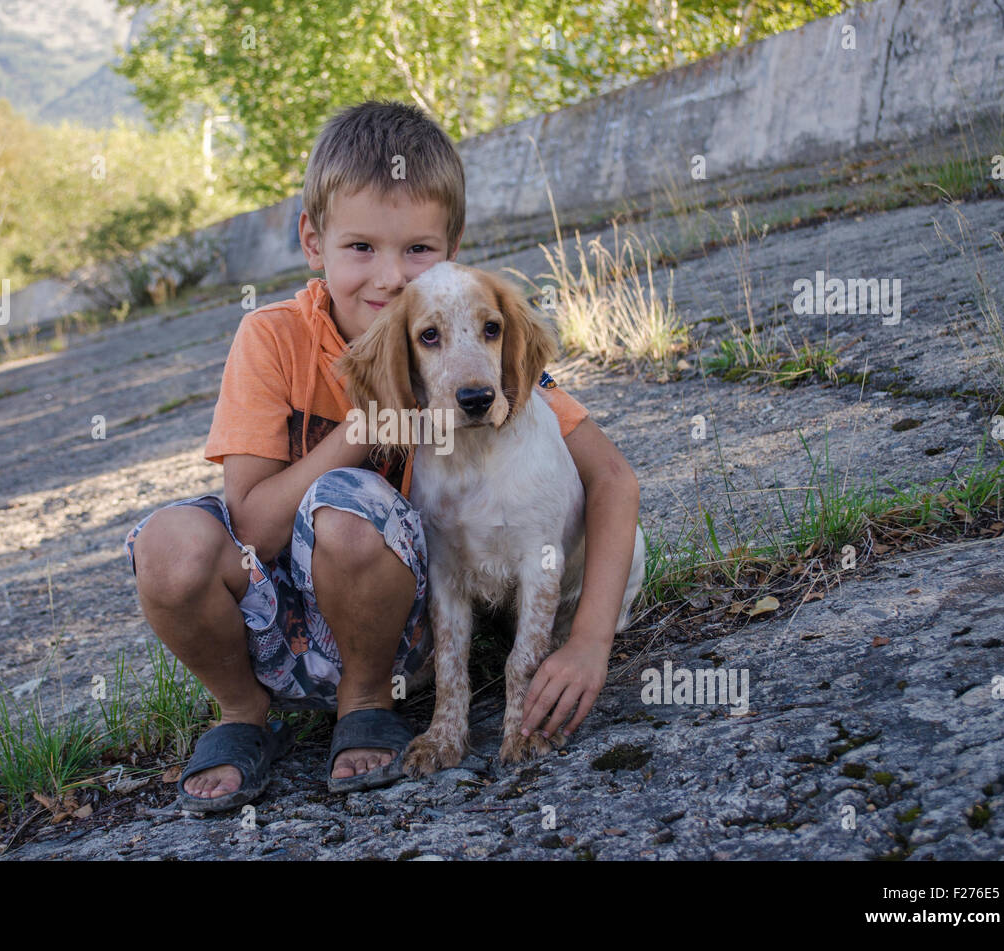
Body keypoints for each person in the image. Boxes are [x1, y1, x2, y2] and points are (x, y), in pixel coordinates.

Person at [123, 99, 642, 810]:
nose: (391, 277)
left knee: (351, 516)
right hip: (278, 613)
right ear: (314, 241)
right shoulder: (270, 338)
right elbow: (254, 529)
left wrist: (588, 642)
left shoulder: (466, 350)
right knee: (167, 545)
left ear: (453, 248)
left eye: (419, 249)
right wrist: (366, 427)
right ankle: (243, 713)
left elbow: (610, 476)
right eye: (361, 247)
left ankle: (365, 703)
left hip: (396, 630)